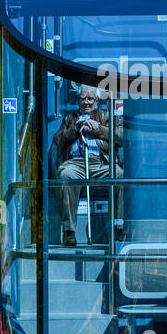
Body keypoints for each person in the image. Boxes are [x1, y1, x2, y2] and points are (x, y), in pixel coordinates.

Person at [54, 86, 123, 247]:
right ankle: (69, 231)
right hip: (76, 162)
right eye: (83, 98)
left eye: (90, 98)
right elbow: (58, 140)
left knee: (119, 174)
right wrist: (79, 127)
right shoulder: (70, 118)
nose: (86, 102)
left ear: (96, 101)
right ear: (78, 100)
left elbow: (120, 136)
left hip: (101, 162)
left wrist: (98, 129)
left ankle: (119, 226)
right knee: (66, 175)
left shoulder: (107, 116)